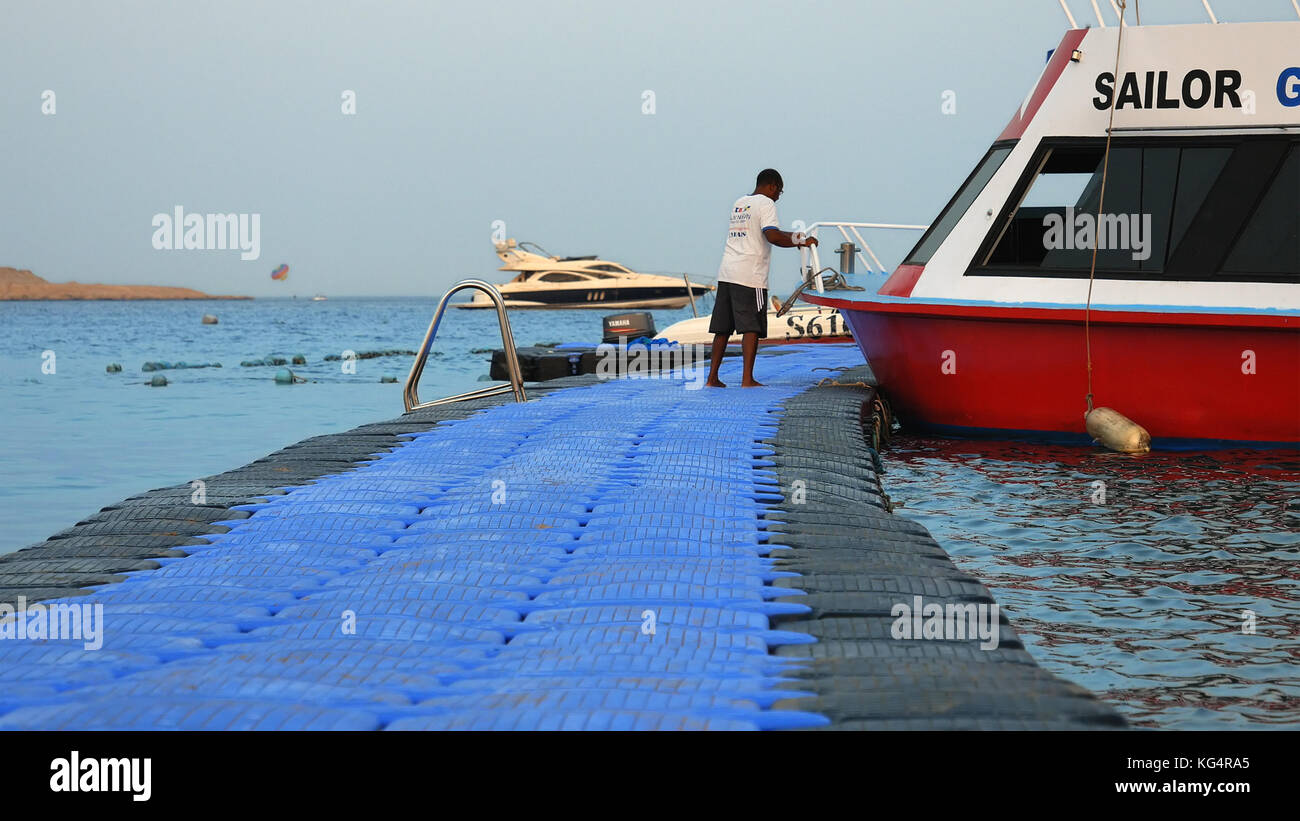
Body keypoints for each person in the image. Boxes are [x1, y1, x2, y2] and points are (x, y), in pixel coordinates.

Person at [704, 168, 817, 388]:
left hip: (727, 272)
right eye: (779, 192)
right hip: (750, 274)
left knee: (722, 328)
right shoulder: (766, 204)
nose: (778, 197)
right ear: (772, 186)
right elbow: (772, 235)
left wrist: (796, 237)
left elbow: (762, 232)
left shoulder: (740, 203)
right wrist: (799, 242)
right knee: (751, 327)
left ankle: (712, 378)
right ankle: (747, 379)